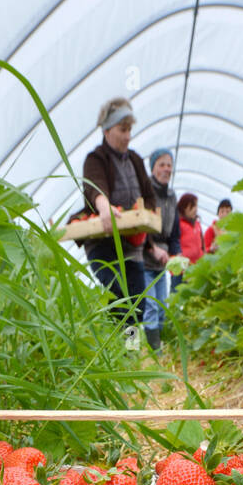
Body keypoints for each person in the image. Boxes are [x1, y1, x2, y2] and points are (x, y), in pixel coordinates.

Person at [80, 98, 157, 332]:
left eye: (129, 130)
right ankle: (115, 355)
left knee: (137, 303)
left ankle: (130, 355)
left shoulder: (135, 160)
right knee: (118, 297)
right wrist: (104, 207)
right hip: (103, 246)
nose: (127, 136)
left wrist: (152, 243)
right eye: (122, 130)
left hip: (132, 247)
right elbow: (95, 187)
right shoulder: (96, 159)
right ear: (106, 130)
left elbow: (149, 198)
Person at [141, 148, 181, 350]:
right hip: (143, 256)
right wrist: (152, 248)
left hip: (161, 261)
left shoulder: (172, 197)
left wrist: (178, 255)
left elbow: (174, 232)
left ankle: (161, 349)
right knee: (150, 306)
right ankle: (153, 353)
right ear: (153, 167)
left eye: (169, 165)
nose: (166, 169)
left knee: (162, 307)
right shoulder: (145, 191)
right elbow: (140, 223)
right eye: (162, 165)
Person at [177, 194, 205, 265]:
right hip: (182, 268)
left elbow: (202, 246)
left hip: (197, 267)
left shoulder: (197, 225)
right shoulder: (179, 224)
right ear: (184, 208)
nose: (195, 209)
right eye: (192, 206)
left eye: (196, 206)